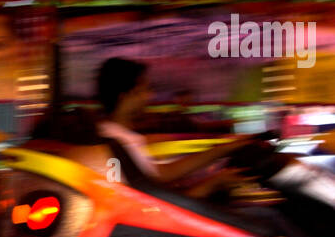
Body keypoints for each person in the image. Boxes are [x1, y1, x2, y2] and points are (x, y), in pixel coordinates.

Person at [95, 57, 252, 199]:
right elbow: (162, 177)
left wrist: (222, 150)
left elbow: (159, 173)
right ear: (126, 95)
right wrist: (215, 178)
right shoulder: (120, 142)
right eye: (145, 89)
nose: (150, 96)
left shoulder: (109, 133)